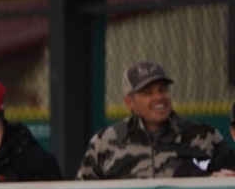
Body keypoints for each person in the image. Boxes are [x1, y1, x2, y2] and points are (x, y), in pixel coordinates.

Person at [78, 61, 235, 180]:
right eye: (148, 92)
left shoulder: (205, 136)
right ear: (129, 102)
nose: (159, 97)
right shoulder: (104, 142)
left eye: (163, 90)